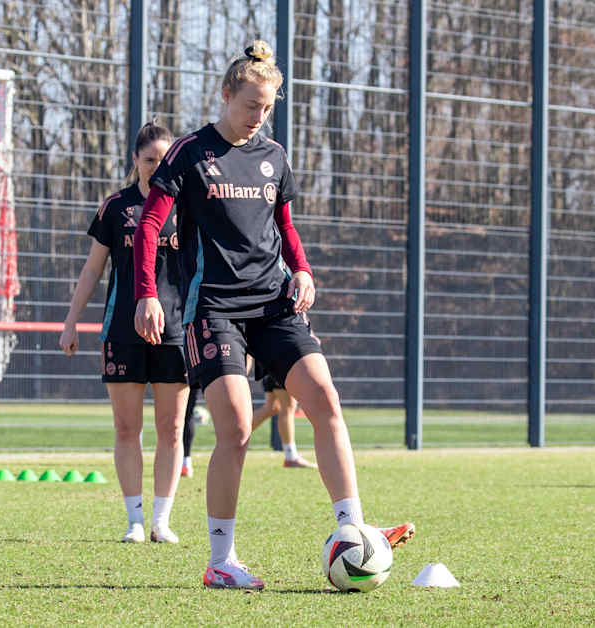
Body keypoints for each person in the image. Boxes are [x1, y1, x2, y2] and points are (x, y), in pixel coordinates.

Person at [132, 40, 414, 590]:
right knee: (235, 426)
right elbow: (148, 225)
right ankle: (221, 560)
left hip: (274, 301)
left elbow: (284, 227)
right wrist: (146, 293)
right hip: (212, 306)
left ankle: (351, 527)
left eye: (267, 107)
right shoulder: (189, 154)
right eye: (250, 105)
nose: (257, 117)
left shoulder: (274, 156)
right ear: (226, 93)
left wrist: (302, 270)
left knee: (325, 398)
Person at [60, 121, 188, 544]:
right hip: (123, 330)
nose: (156, 166)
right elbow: (93, 269)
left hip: (175, 330)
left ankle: (161, 520)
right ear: (135, 159)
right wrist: (71, 320)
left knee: (171, 430)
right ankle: (134, 520)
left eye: (163, 159)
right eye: (149, 159)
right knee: (126, 428)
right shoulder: (116, 207)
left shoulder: (187, 205)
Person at [250, 355, 315, 469]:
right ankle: (291, 456)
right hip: (281, 362)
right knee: (288, 408)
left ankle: (232, 436)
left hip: (268, 364)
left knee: (272, 407)